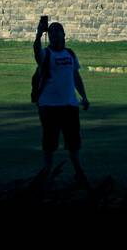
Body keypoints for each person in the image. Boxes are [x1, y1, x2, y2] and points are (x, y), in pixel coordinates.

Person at [35, 21, 90, 185]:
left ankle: (79, 172)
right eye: (52, 33)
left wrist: (84, 96)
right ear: (49, 36)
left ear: (64, 35)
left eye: (58, 32)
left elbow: (76, 77)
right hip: (49, 105)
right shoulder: (46, 54)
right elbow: (37, 52)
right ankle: (47, 172)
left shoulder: (70, 54)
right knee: (49, 143)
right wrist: (38, 35)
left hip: (70, 105)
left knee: (73, 143)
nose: (55, 35)